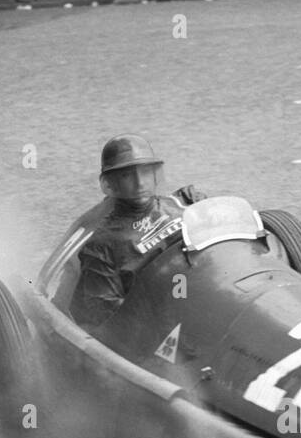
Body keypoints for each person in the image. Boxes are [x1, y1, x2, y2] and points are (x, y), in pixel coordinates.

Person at [70, 134, 207, 347]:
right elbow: (107, 321)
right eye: (127, 175)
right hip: (162, 328)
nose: (139, 182)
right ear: (110, 184)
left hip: (208, 294)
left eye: (144, 172)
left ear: (154, 174)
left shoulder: (185, 203)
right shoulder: (102, 245)